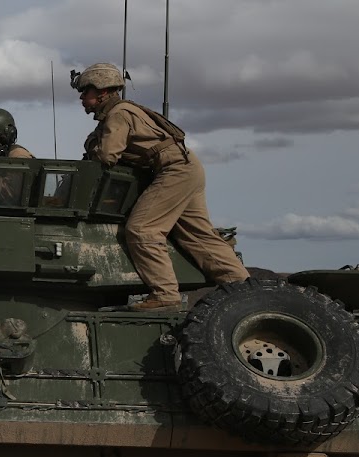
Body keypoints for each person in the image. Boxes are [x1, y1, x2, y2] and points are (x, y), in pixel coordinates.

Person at [72, 63, 249, 311]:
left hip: (173, 170)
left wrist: (92, 146)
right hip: (187, 167)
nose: (81, 97)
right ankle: (246, 290)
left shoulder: (118, 114)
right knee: (198, 236)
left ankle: (165, 294)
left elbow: (107, 157)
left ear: (102, 91)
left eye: (85, 92)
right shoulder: (120, 112)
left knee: (143, 229)